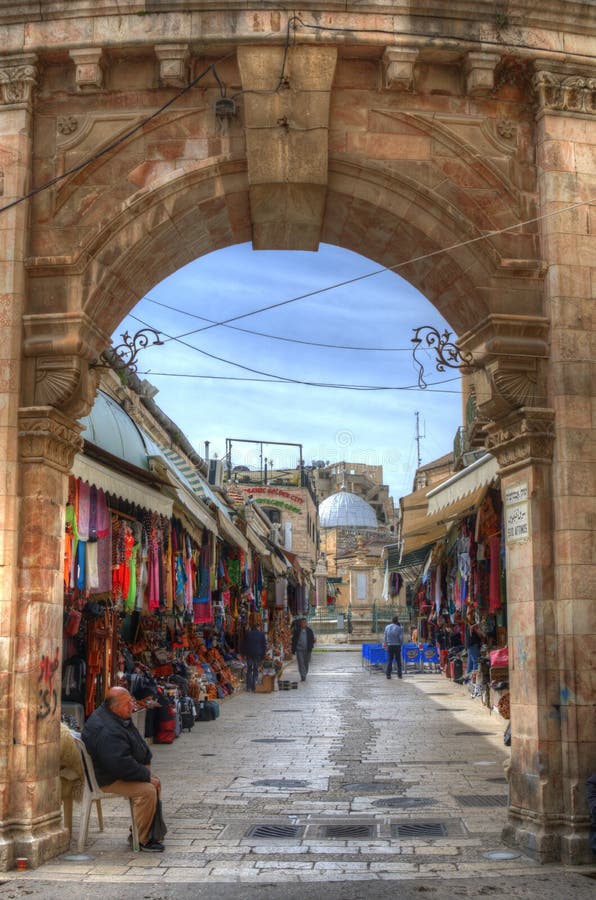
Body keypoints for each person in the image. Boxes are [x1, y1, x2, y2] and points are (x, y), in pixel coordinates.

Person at [81, 686, 164, 852]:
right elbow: (119, 764)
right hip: (107, 778)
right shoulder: (107, 729)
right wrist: (145, 776)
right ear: (114, 706)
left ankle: (141, 830)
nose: (131, 707)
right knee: (148, 790)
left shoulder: (116, 716)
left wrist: (146, 763)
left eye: (131, 701)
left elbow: (134, 744)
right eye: (127, 704)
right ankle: (142, 839)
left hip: (114, 770)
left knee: (155, 782)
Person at [241, 622, 267, 692]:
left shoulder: (247, 634)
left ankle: (249, 687)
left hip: (249, 653)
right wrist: (263, 656)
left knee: (249, 669)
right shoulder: (261, 634)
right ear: (258, 628)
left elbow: (243, 644)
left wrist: (243, 654)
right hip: (257, 654)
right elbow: (264, 646)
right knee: (255, 669)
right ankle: (254, 686)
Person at [291, 617, 315, 681]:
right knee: (301, 663)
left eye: (304, 622)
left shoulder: (309, 631)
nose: (303, 624)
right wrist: (293, 649)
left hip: (307, 650)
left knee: (306, 663)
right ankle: (303, 675)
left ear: (306, 623)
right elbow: (293, 640)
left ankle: (305, 673)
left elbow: (312, 639)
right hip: (299, 650)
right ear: (300, 623)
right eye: (302, 623)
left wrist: (311, 646)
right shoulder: (297, 631)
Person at [465, 610, 483, 675]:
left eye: (471, 615)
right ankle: (474, 678)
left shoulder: (469, 624)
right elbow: (477, 632)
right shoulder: (470, 625)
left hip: (470, 645)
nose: (470, 616)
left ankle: (469, 677)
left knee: (470, 662)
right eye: (469, 615)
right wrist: (479, 623)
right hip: (472, 645)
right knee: (475, 661)